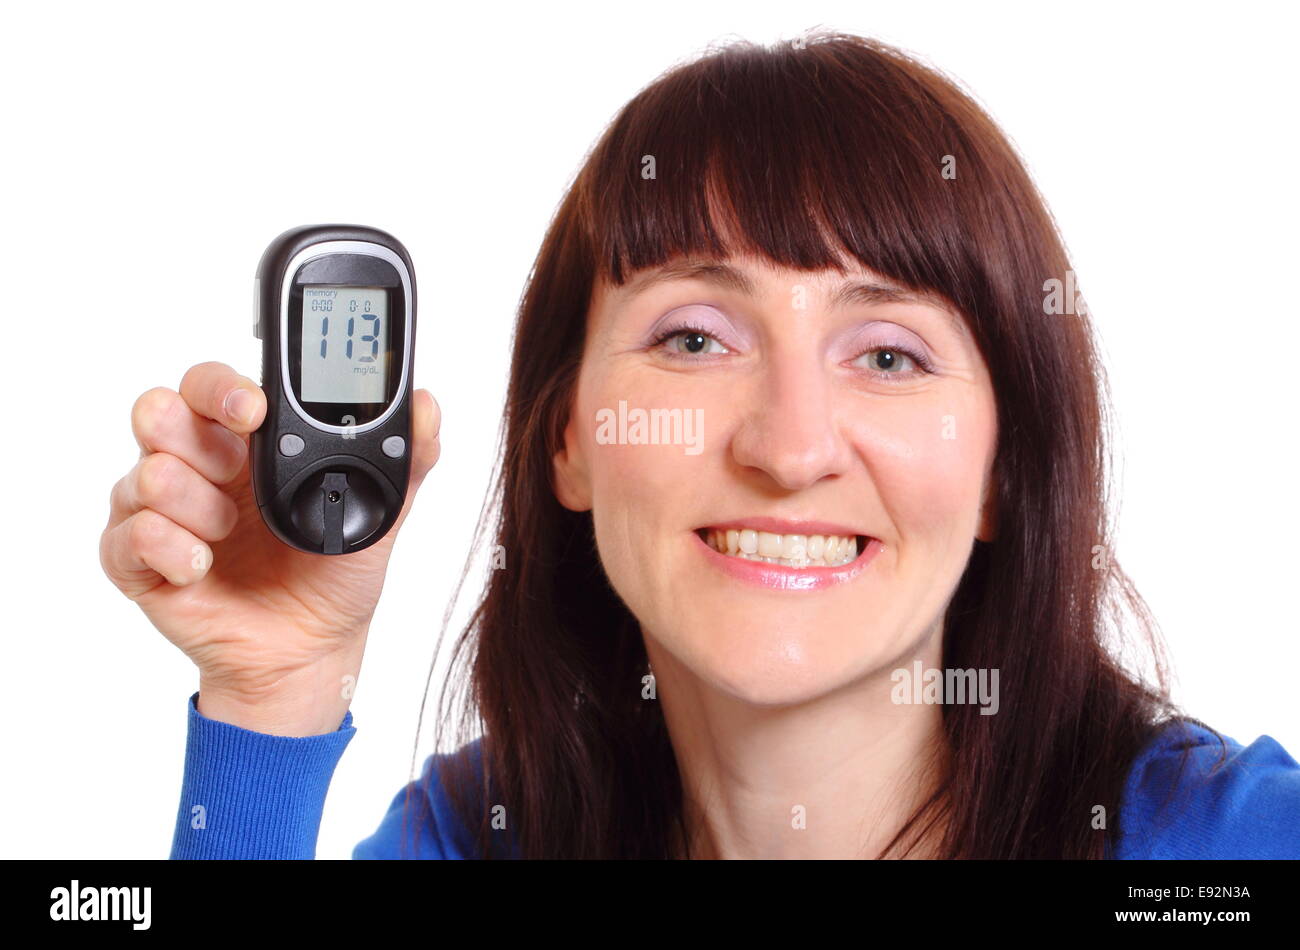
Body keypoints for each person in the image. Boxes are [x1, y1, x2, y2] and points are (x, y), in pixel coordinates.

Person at [100, 31, 1300, 859]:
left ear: (1002, 466)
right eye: (693, 338)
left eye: (886, 354)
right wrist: (277, 697)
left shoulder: (1227, 841)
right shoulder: (478, 837)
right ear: (565, 436)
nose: (788, 447)